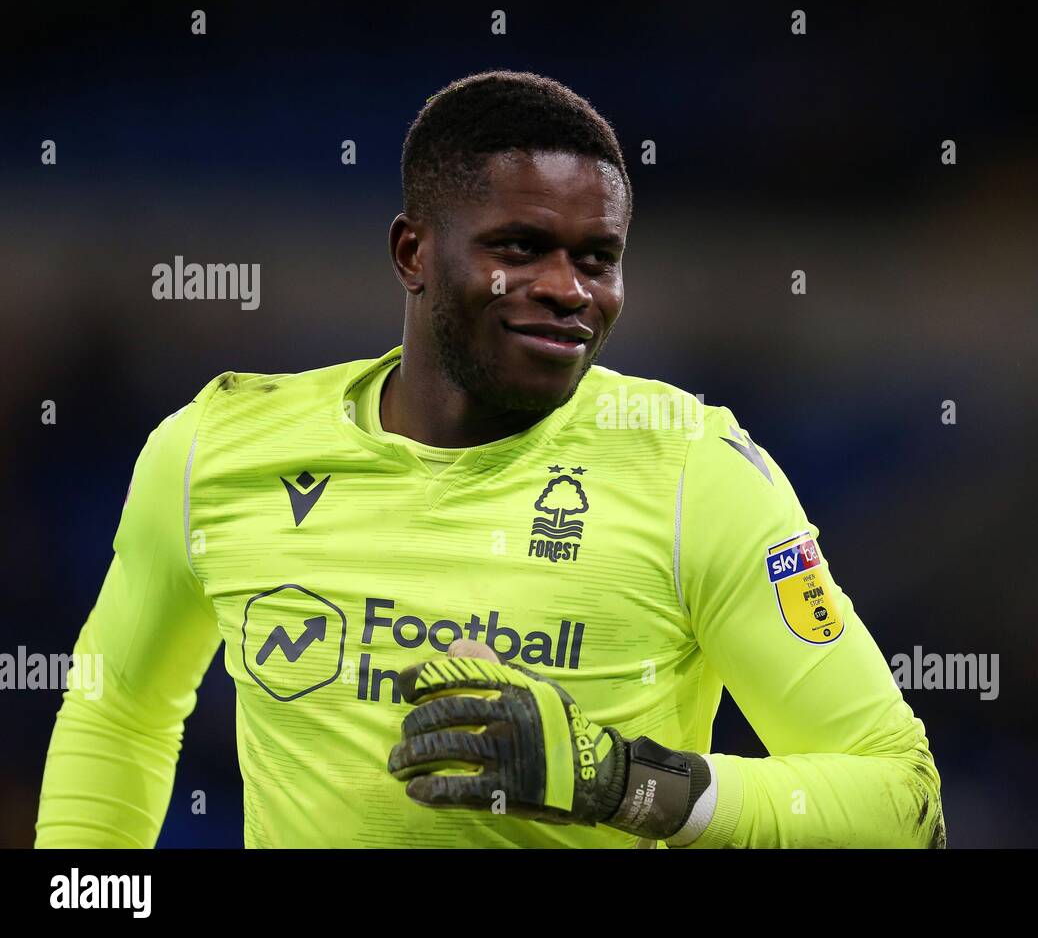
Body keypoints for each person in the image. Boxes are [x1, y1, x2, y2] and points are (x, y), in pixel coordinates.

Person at [35, 70, 945, 848]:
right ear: (412, 252)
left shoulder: (693, 473)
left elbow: (902, 801)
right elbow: (117, 713)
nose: (567, 290)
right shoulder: (214, 450)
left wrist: (622, 780)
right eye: (520, 248)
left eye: (599, 258)